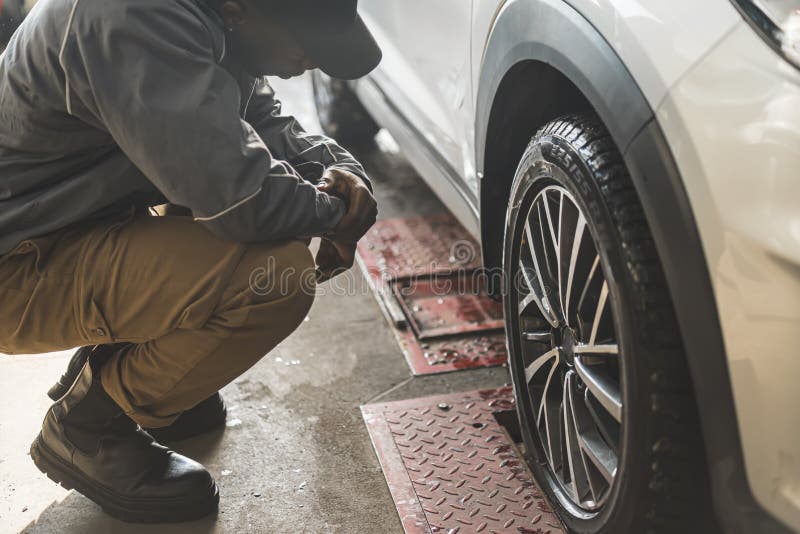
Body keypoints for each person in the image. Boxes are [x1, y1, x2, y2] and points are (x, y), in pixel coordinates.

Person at [0, 0, 380, 523]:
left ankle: (122, 374)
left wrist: (342, 171)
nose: (310, 60)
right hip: (16, 266)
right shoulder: (135, 20)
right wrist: (335, 213)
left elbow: (259, 119)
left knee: (201, 180)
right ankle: (87, 427)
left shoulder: (211, 18)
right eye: (303, 40)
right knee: (276, 277)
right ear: (242, 8)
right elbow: (242, 197)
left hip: (59, 226)